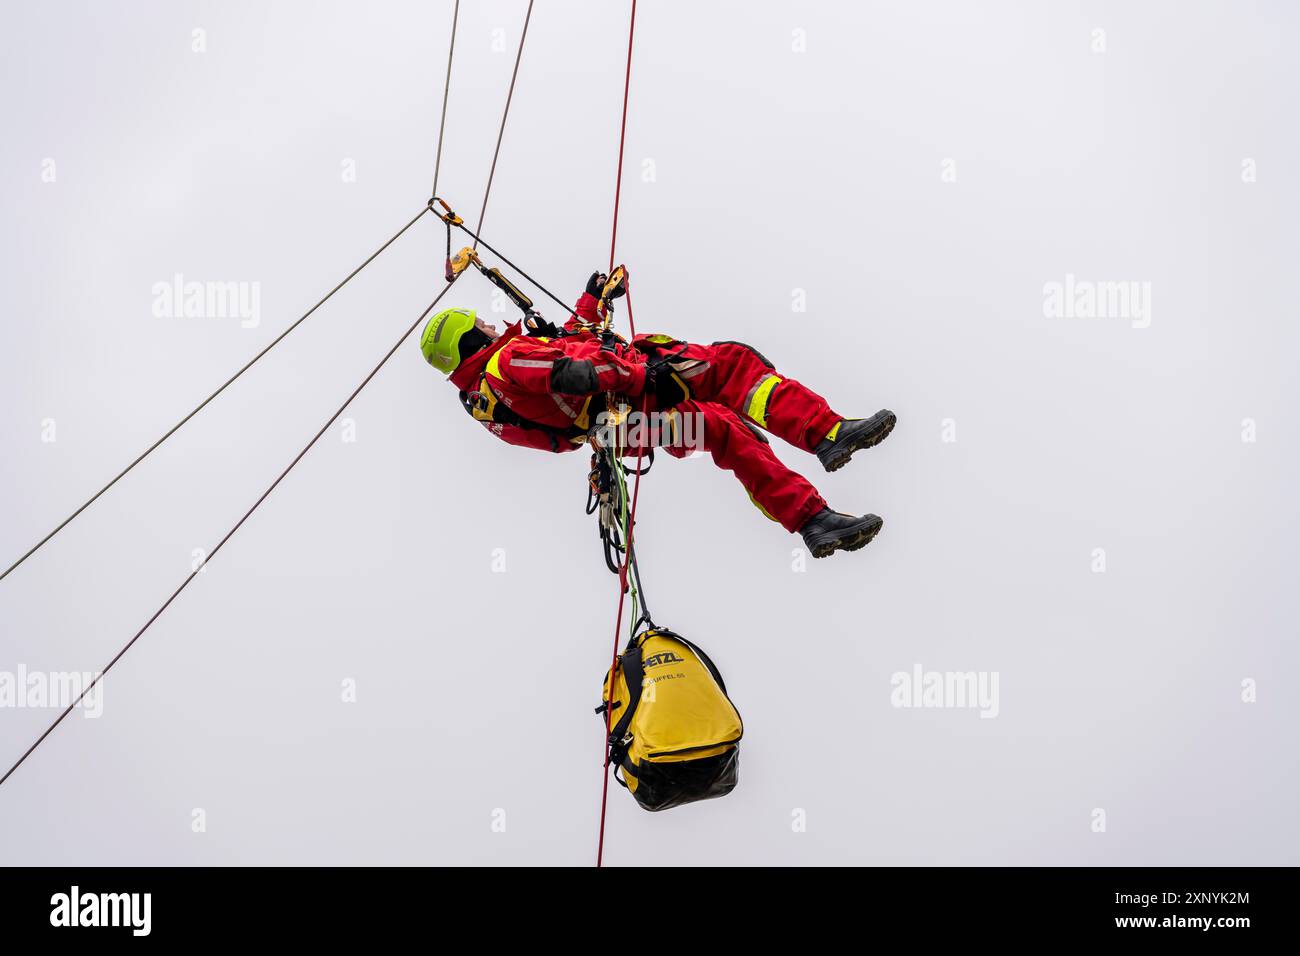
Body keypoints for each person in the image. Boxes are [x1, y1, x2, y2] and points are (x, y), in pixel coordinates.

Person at [419, 271, 896, 557]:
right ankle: (827, 432)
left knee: (721, 428)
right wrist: (643, 376)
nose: (489, 323)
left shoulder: (487, 395)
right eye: (478, 325)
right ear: (470, 341)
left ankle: (813, 522)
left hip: (623, 429)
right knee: (732, 366)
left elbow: (567, 353)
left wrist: (594, 301)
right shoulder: (508, 359)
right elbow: (574, 372)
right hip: (637, 397)